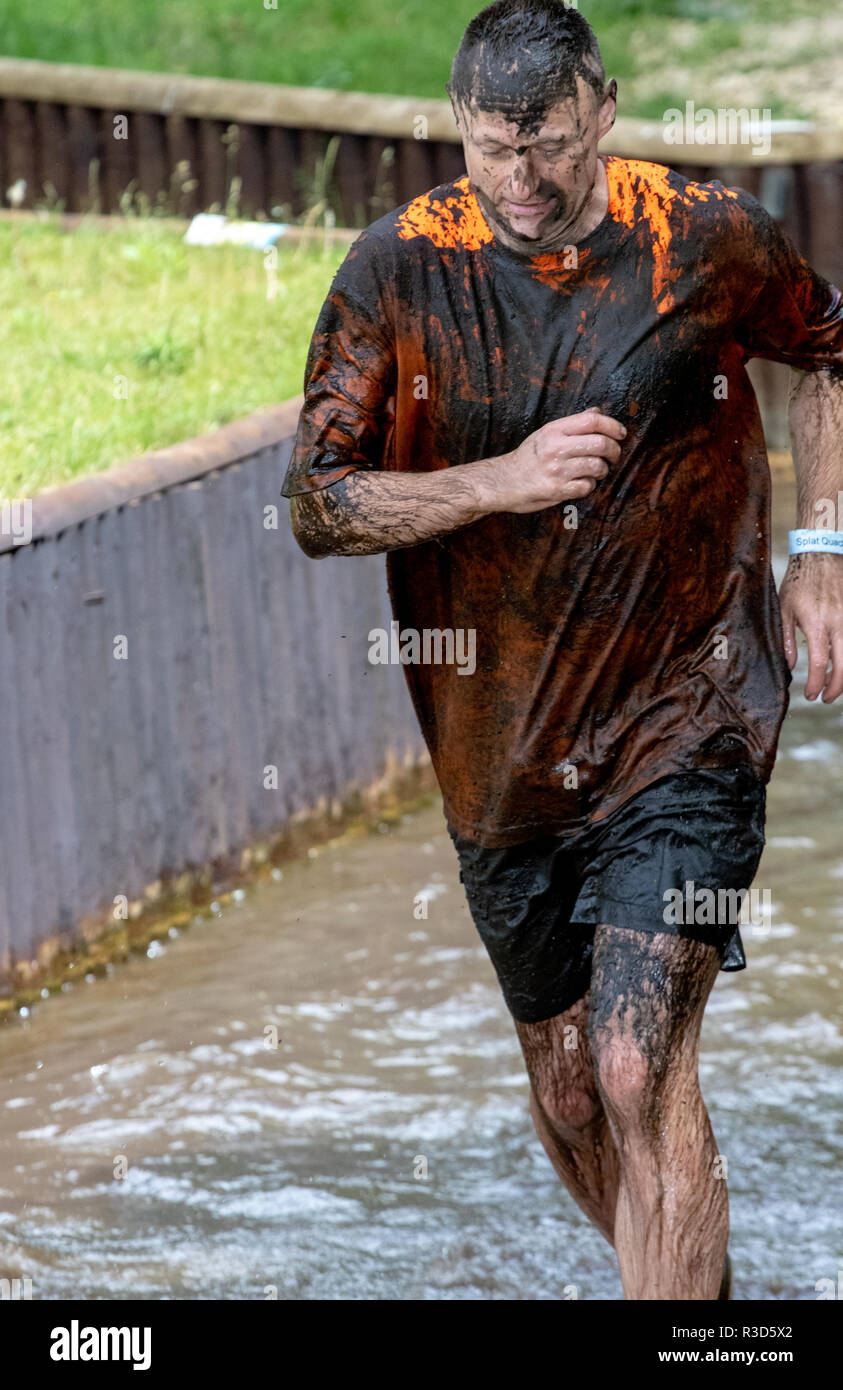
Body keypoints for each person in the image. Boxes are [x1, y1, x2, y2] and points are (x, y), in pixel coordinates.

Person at [282, 0, 843, 1299]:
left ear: (601, 111)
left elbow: (829, 348)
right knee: (576, 1085)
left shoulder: (697, 235)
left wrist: (821, 555)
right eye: (492, 152)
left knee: (644, 1064)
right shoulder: (397, 267)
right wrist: (503, 480)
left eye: (546, 149)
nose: (523, 184)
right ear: (460, 133)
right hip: (505, 749)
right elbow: (319, 502)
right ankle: (688, 1283)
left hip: (687, 715)